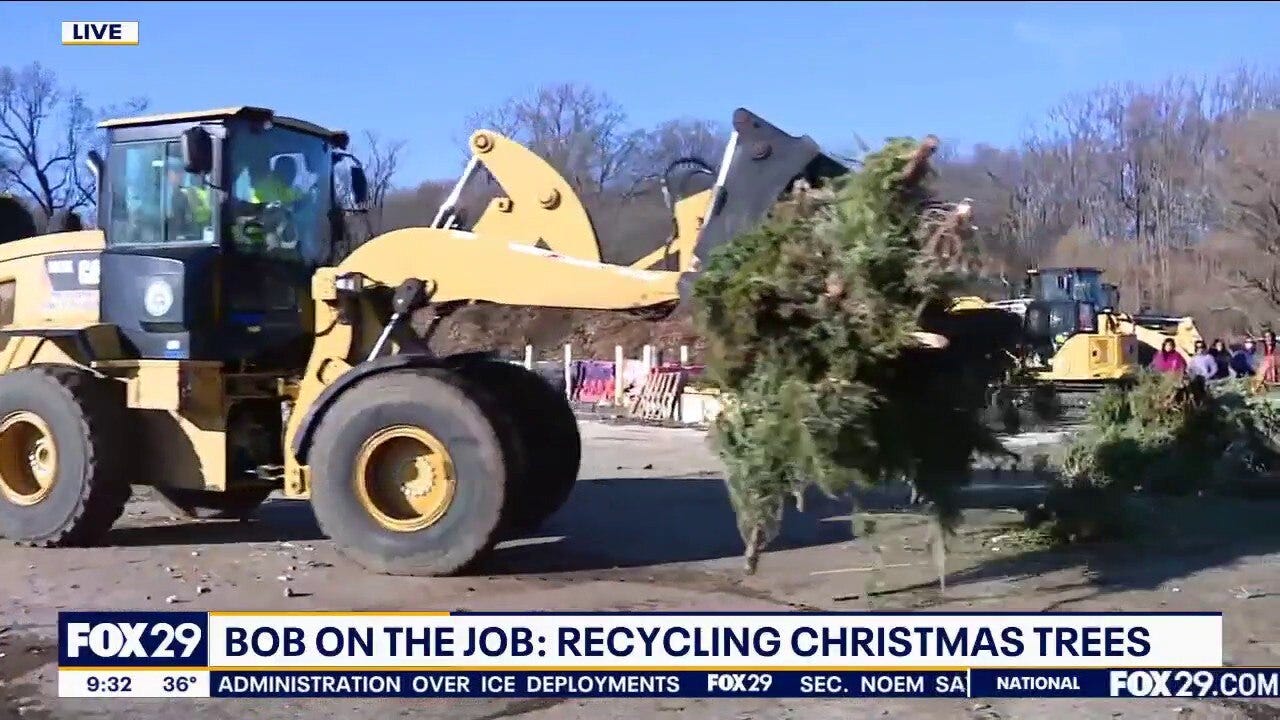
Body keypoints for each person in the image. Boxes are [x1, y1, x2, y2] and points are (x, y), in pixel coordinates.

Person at [166, 158, 211, 240]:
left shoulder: (184, 194)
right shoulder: (164, 192)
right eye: (177, 172)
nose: (180, 176)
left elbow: (181, 222)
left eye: (181, 173)